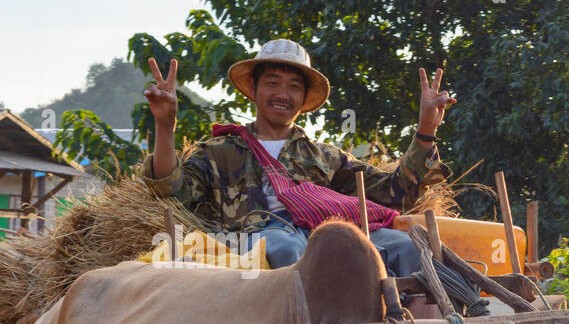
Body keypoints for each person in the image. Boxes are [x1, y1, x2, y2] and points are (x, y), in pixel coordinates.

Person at [139, 39, 457, 276]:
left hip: (324, 234)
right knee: (289, 247)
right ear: (253, 88)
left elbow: (394, 192)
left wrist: (426, 128)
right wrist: (165, 123)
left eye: (294, 86)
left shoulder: (324, 157)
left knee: (407, 247)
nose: (283, 94)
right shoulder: (218, 152)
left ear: (304, 99)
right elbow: (170, 188)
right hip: (254, 238)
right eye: (272, 83)